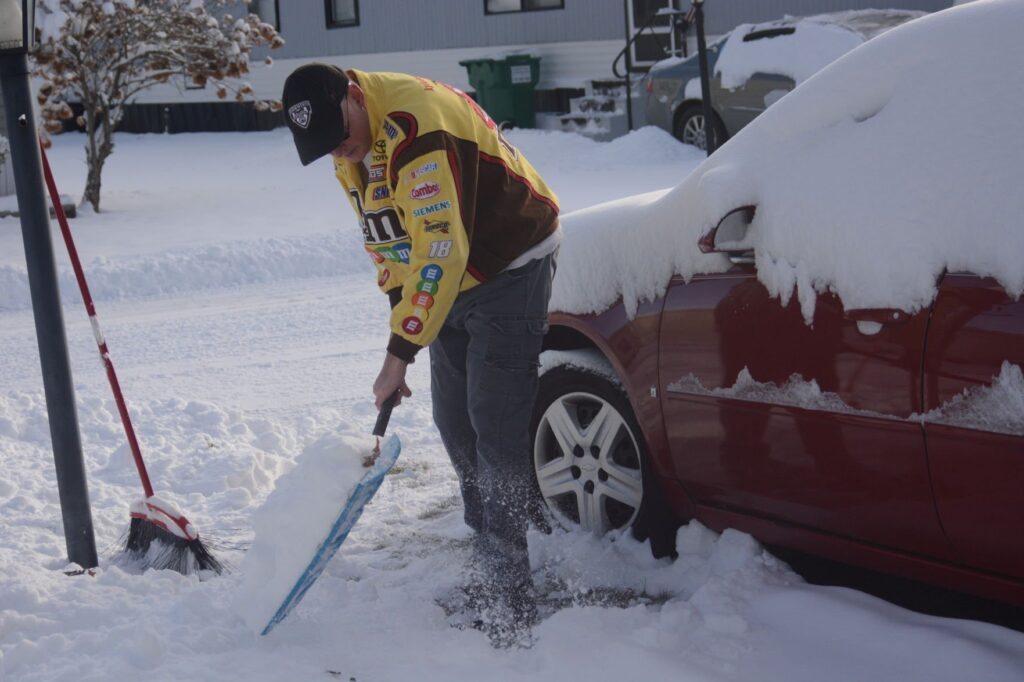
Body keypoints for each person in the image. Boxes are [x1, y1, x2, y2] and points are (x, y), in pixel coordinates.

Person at [281, 64, 560, 645]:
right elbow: (388, 243)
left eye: (341, 135)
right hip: (451, 276)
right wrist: (402, 317)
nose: (340, 151)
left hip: (509, 263)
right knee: (454, 423)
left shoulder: (416, 125)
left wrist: (399, 353)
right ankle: (492, 558)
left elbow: (439, 246)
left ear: (355, 97)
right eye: (328, 146)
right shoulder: (348, 145)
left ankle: (512, 594)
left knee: (495, 423)